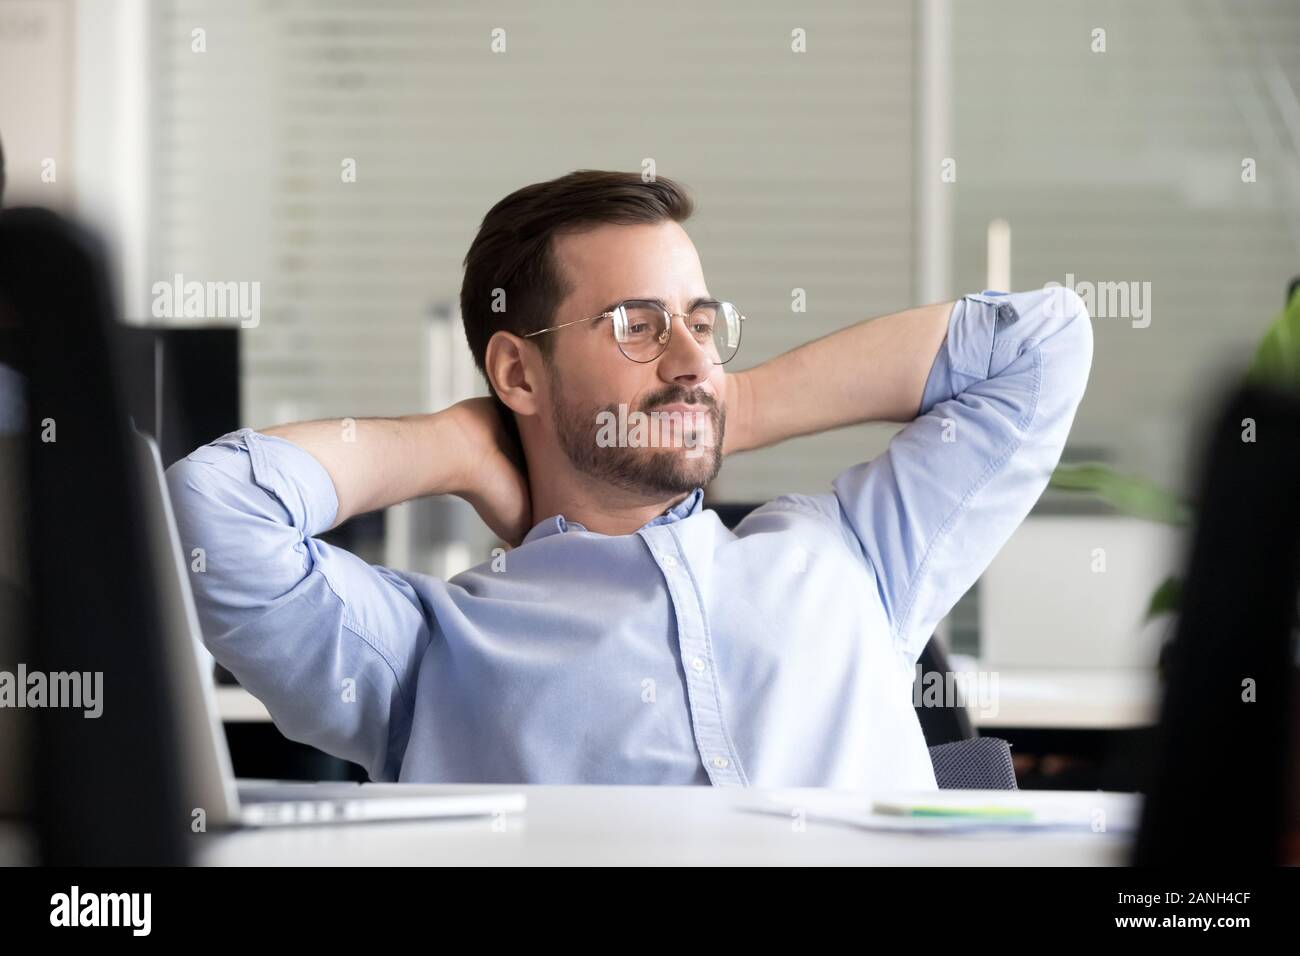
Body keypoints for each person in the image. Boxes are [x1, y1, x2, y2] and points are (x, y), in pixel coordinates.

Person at [166, 169, 1093, 786]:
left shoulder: (853, 556)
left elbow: (1043, 343)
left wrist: (724, 407)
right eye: (637, 325)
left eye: (701, 321)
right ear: (517, 373)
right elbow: (213, 510)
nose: (691, 354)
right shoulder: (427, 651)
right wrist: (457, 445)